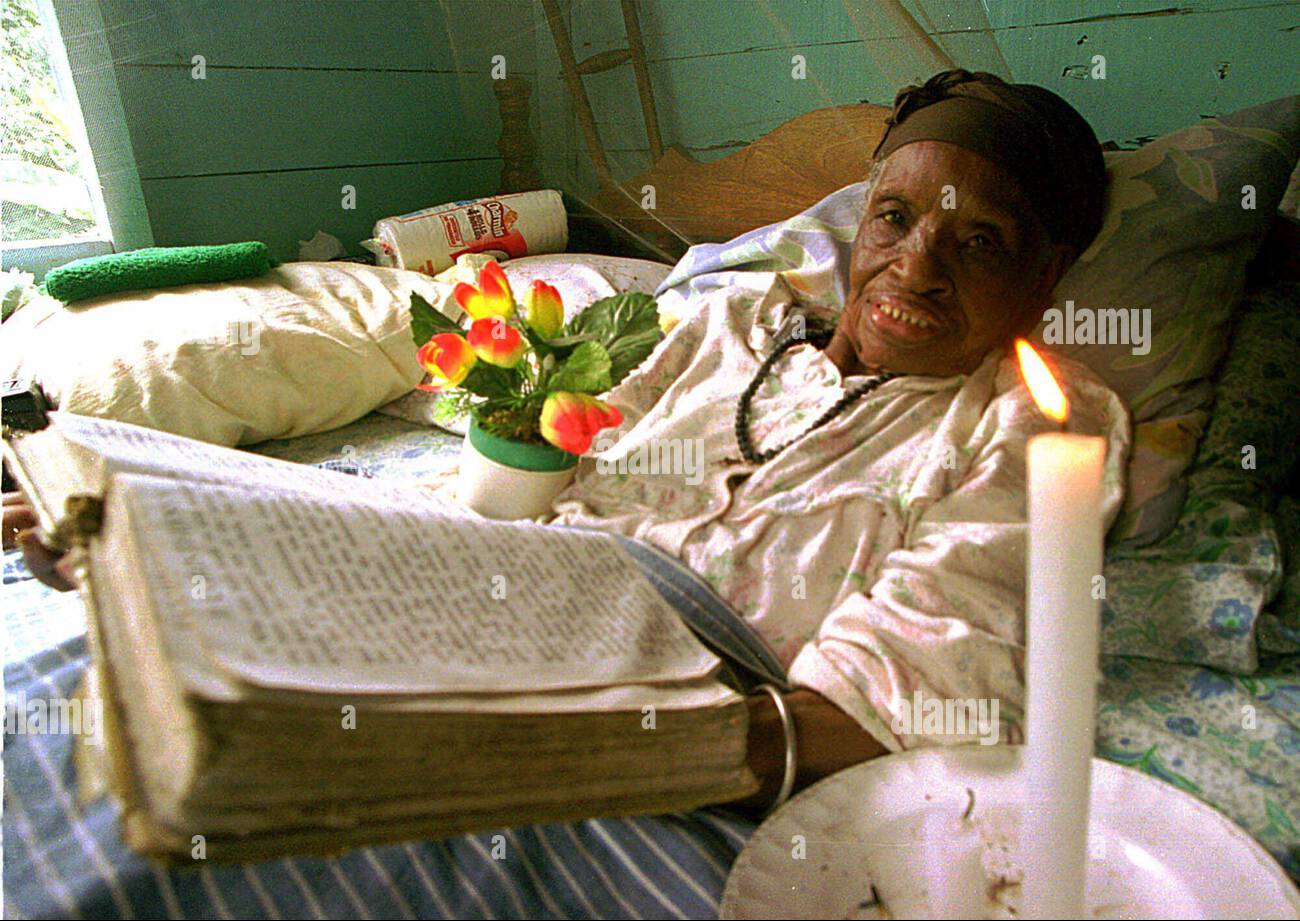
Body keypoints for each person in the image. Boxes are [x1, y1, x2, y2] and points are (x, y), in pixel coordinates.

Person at [4, 69, 1129, 815]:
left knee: (226, 803)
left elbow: (910, 681)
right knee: (83, 683)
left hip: (678, 704)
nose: (917, 265)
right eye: (895, 217)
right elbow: (521, 481)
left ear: (1049, 273)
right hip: (509, 599)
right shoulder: (725, 319)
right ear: (861, 216)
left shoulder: (1033, 420)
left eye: (980, 241)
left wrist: (588, 757)